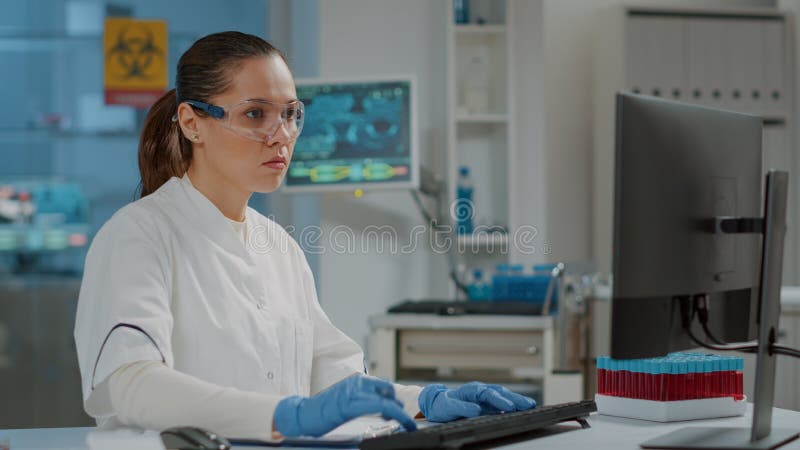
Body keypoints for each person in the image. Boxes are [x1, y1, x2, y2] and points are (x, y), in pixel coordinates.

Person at [73, 31, 535, 441]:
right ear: (193, 123)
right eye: (255, 114)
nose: (282, 136)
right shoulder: (138, 235)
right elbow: (129, 383)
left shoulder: (278, 246)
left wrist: (424, 400)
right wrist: (284, 415)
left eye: (291, 114)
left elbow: (332, 378)